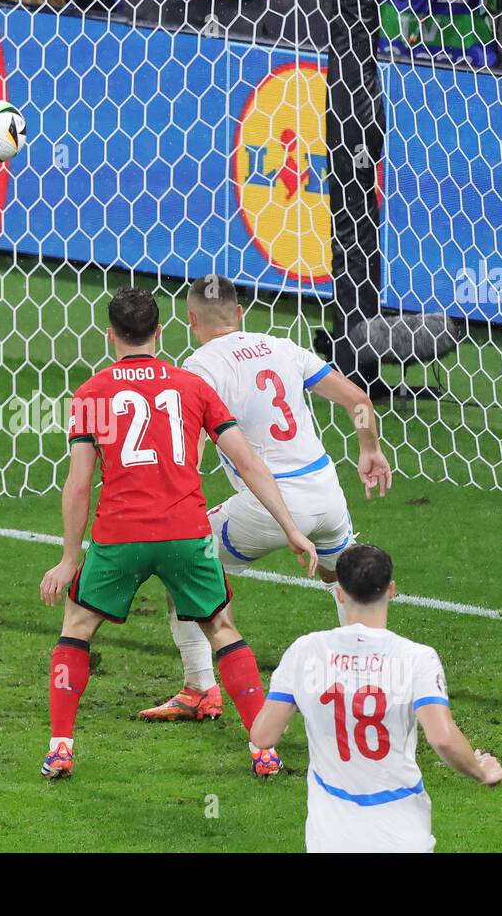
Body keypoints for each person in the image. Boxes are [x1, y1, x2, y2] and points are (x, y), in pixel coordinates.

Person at [38, 287, 319, 779]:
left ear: (111, 335)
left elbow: (79, 484)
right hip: (185, 533)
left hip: (120, 536)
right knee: (222, 630)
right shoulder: (192, 386)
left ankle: (61, 746)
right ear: (160, 331)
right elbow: (249, 462)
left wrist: (67, 558)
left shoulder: (91, 396)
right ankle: (263, 750)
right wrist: (291, 528)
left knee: (77, 627)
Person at [140, 274, 392, 721]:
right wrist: (370, 449)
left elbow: (193, 446)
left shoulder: (199, 367)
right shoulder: (283, 347)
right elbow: (357, 399)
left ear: (190, 319)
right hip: (326, 495)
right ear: (240, 313)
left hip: (268, 506)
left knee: (186, 564)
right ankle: (368, 690)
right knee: (343, 582)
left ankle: (200, 687)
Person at [250, 544, 502, 852]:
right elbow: (443, 739)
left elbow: (263, 735)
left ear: (340, 593)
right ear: (392, 589)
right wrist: (481, 771)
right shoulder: (415, 658)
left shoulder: (306, 651)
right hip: (401, 833)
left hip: (331, 838)